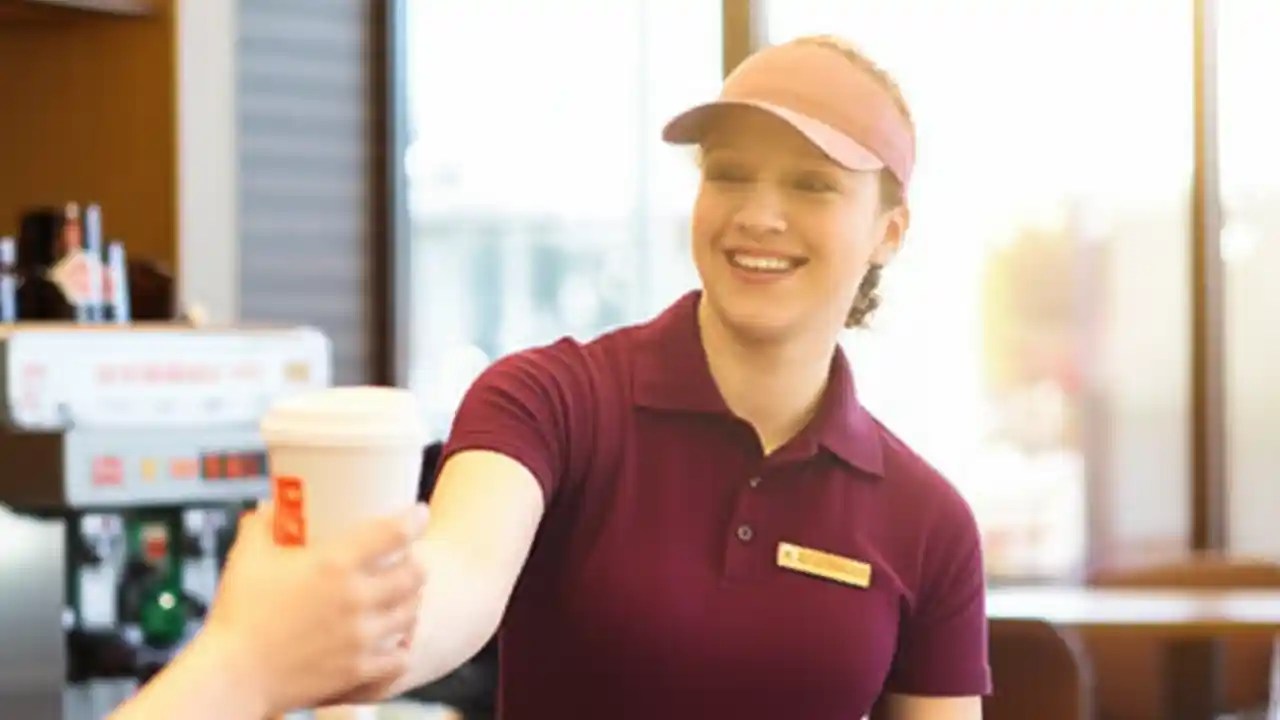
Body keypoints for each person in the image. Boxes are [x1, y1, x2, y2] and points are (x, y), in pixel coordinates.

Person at [114, 34, 991, 719]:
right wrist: (341, 635)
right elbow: (457, 578)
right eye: (729, 175)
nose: (760, 215)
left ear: (890, 230)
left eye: (812, 184)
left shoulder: (929, 524)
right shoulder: (550, 402)